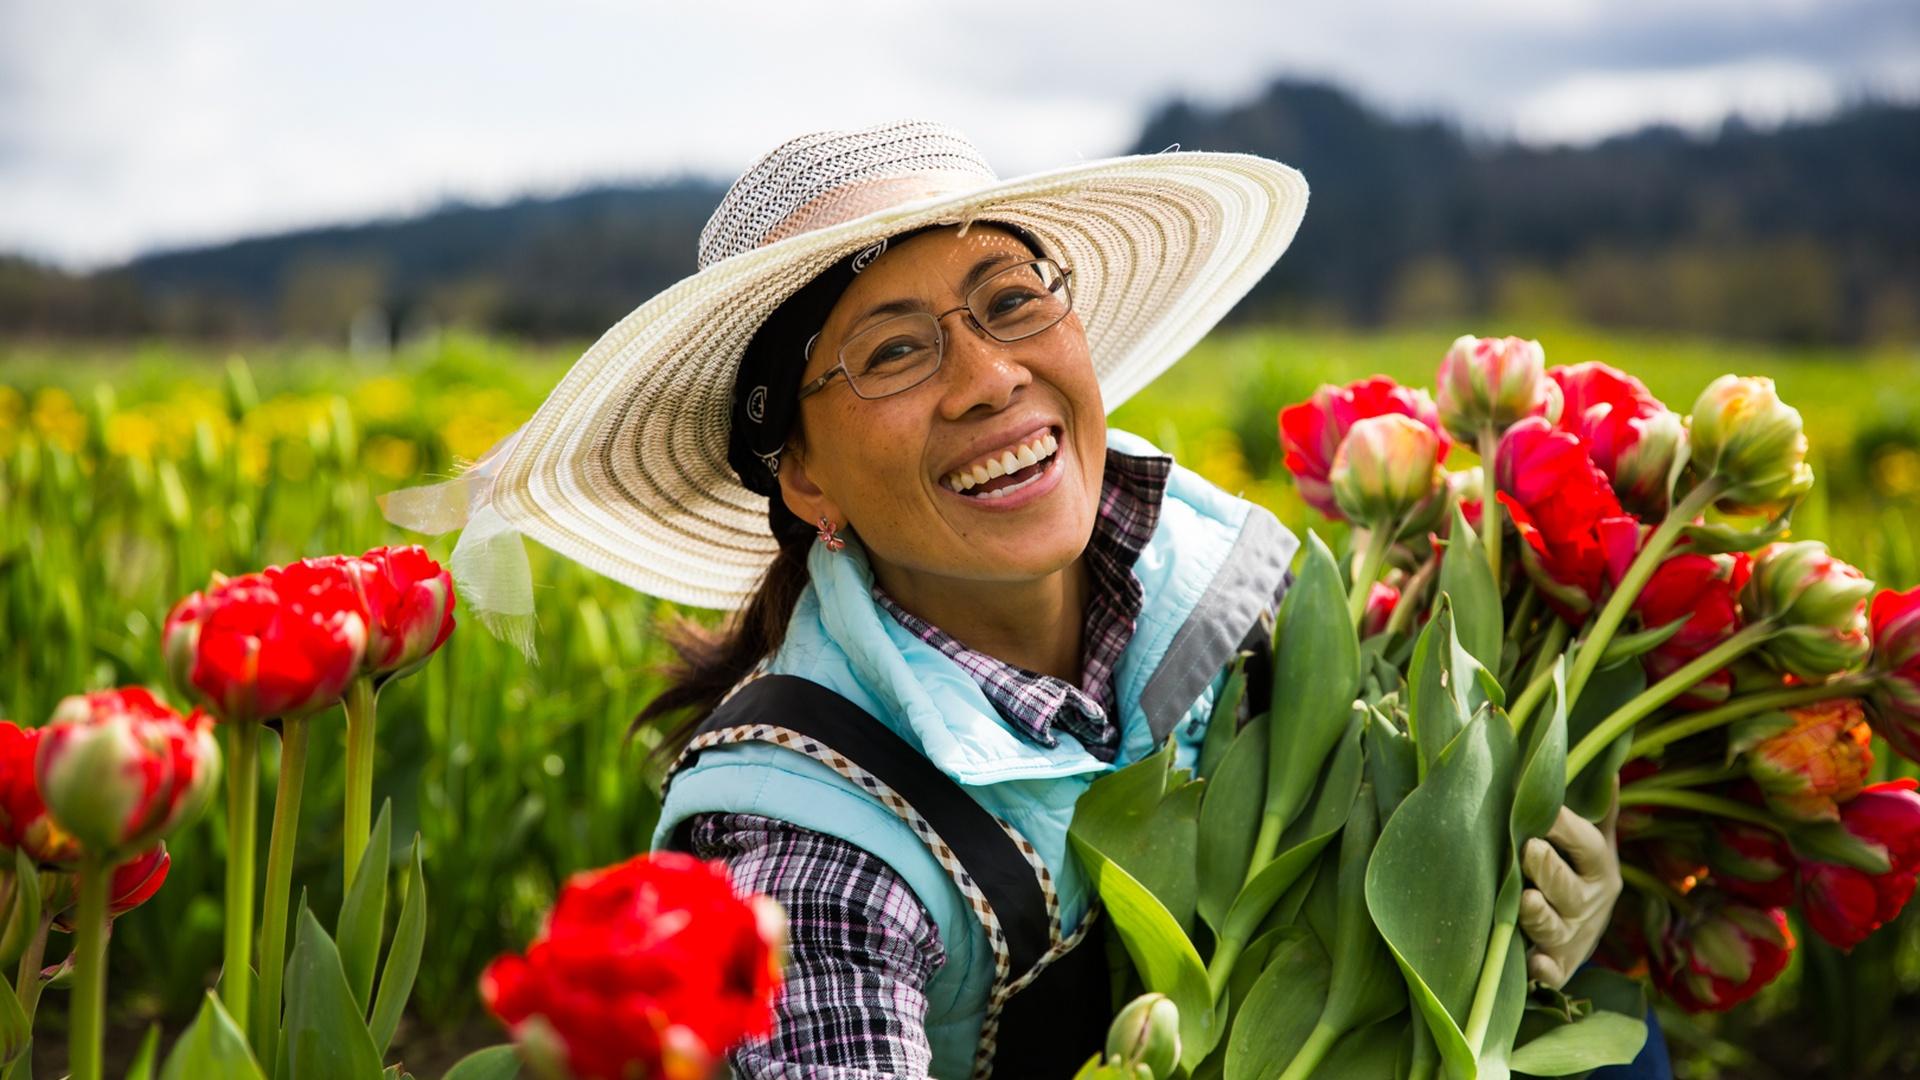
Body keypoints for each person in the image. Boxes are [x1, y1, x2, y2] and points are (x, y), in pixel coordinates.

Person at [384, 119, 1649, 1078]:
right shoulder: (808, 853)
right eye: (892, 349)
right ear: (809, 478)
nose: (992, 378)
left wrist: (1522, 908)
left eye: (1010, 301)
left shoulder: (1251, 606)